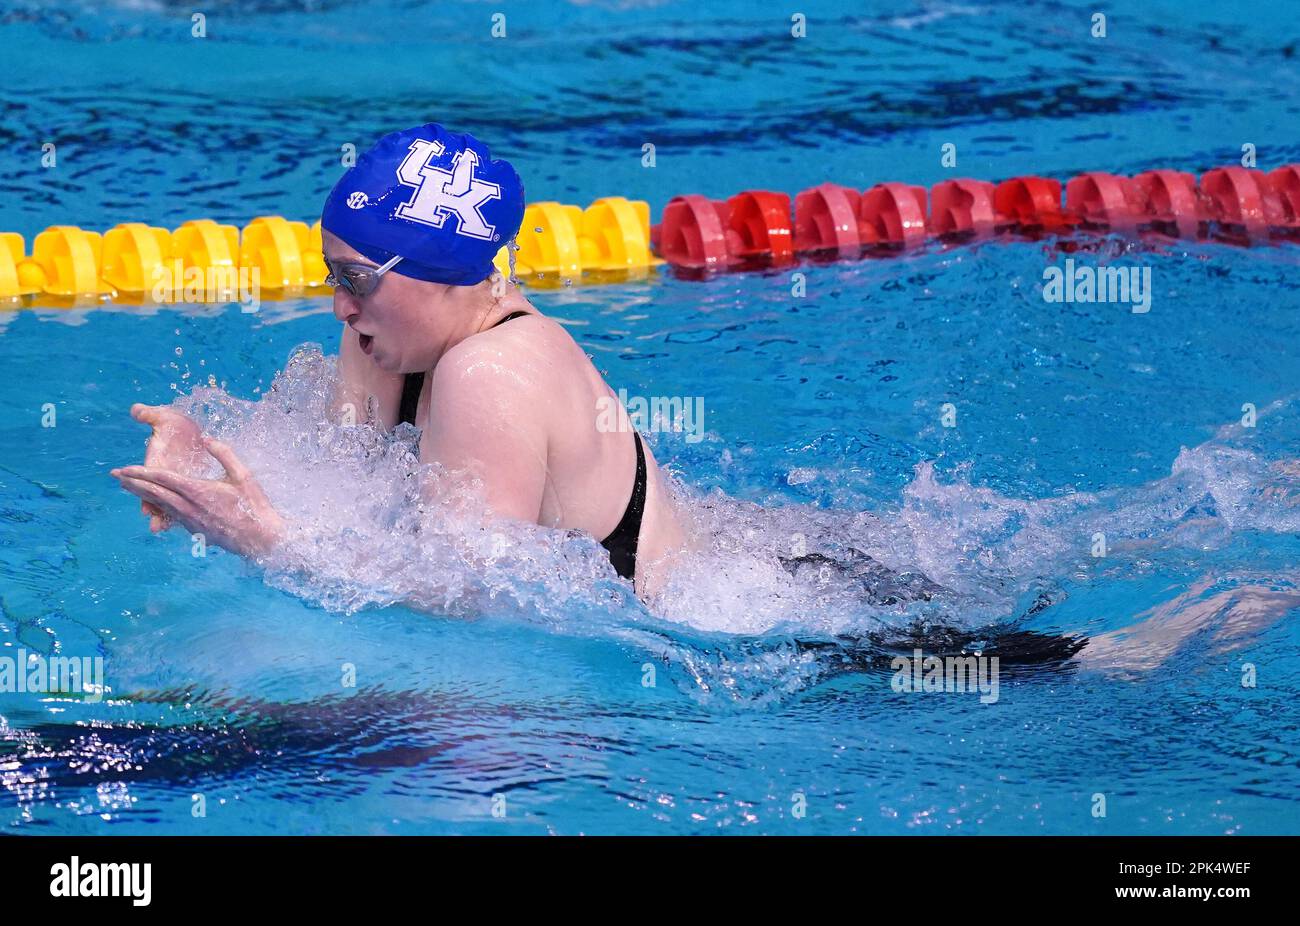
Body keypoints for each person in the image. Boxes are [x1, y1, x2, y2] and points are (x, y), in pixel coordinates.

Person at [110, 123, 687, 599]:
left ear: (442, 274)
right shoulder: (387, 341)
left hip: (670, 656)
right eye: (332, 274)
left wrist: (267, 543)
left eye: (357, 279)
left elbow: (477, 603)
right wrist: (200, 469)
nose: (340, 306)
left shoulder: (489, 371)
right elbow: (334, 488)